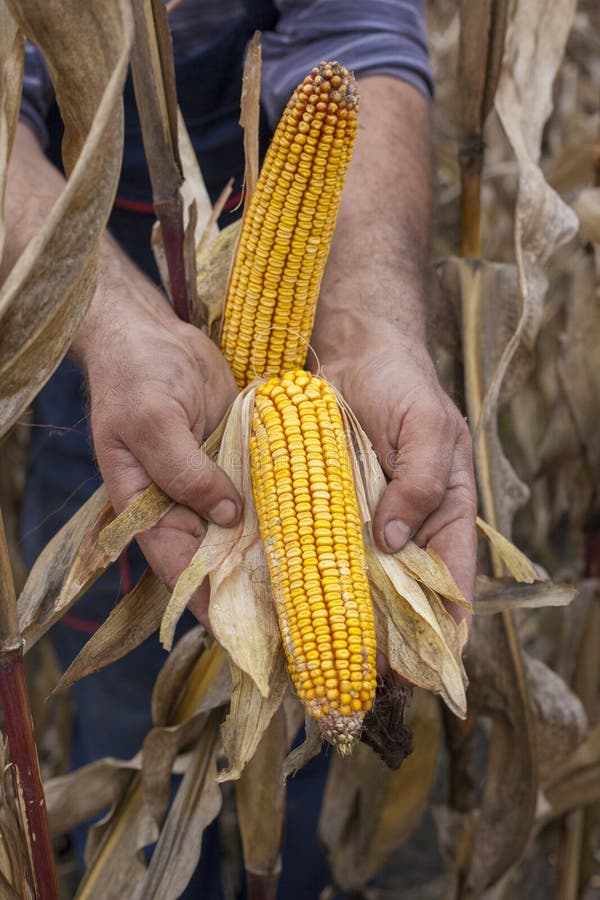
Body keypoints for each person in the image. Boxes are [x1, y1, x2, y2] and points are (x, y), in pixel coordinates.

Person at [3, 1, 477, 896]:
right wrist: (112, 319)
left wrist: (370, 318)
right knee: (136, 722)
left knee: (298, 754)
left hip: (319, 372)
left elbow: (365, 45)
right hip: (93, 342)